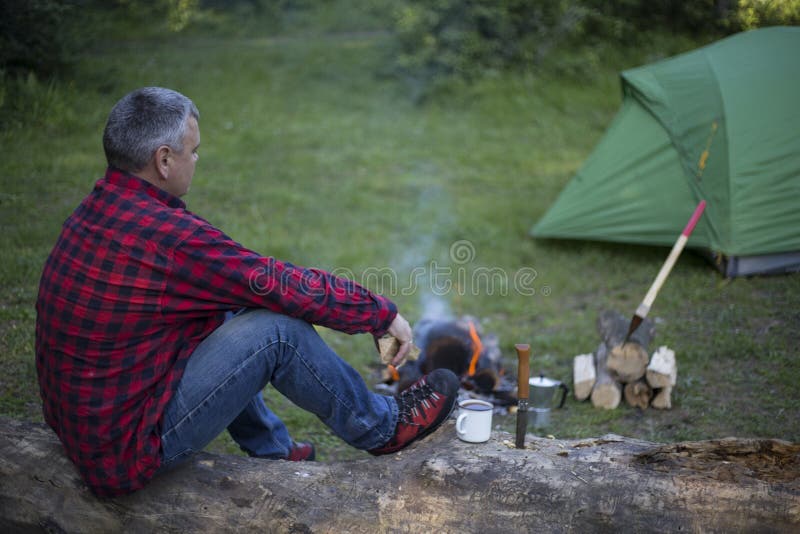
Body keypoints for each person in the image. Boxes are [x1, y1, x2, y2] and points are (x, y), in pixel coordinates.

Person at [35, 87, 459, 497]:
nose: (197, 159)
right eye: (193, 150)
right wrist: (378, 314)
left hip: (89, 426)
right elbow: (276, 284)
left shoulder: (97, 208)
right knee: (277, 332)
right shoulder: (169, 239)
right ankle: (382, 428)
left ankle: (273, 450)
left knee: (220, 310)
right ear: (163, 160)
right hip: (125, 450)